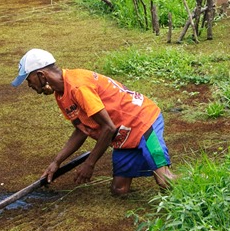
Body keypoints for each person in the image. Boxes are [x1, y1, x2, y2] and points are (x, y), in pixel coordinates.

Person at [12, 49, 175, 195]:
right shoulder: (61, 94)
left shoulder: (78, 87)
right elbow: (82, 130)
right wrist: (56, 162)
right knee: (119, 191)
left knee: (165, 182)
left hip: (142, 121)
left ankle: (197, 181)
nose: (29, 85)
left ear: (41, 75)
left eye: (29, 79)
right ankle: (143, 158)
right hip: (123, 136)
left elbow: (108, 128)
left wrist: (90, 164)